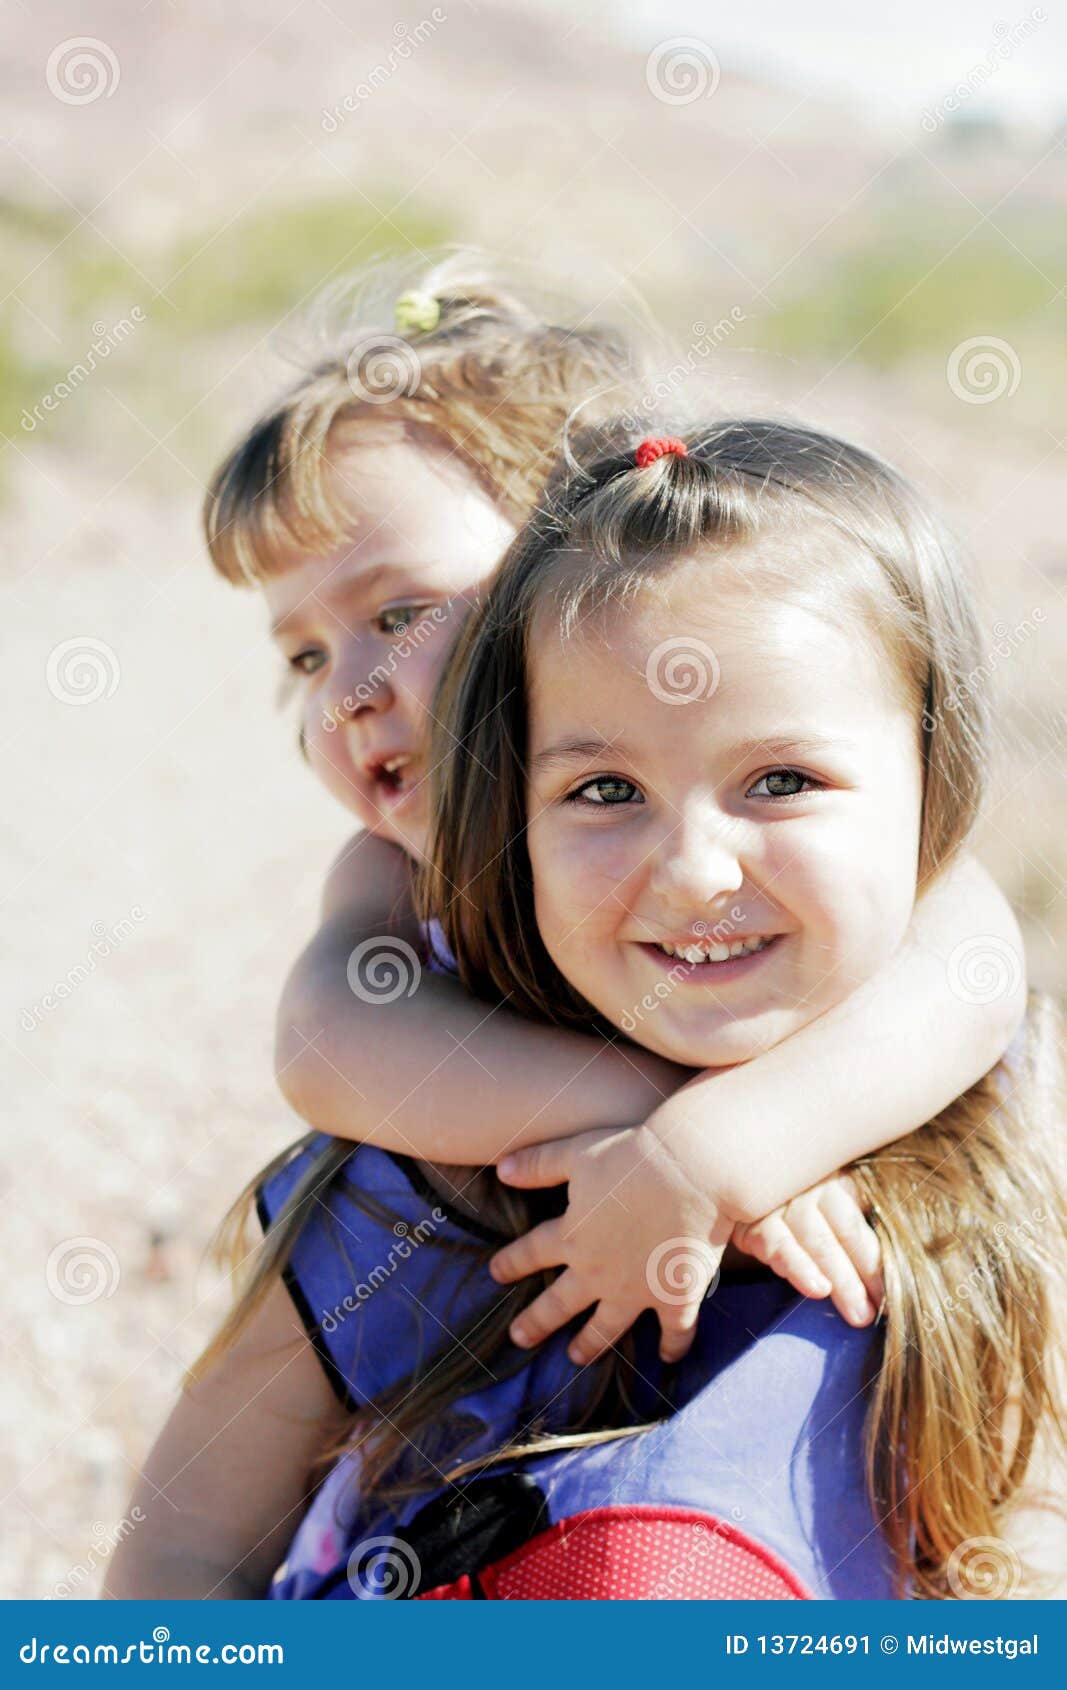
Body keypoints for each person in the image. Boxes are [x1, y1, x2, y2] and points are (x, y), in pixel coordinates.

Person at [105, 267, 1027, 1598]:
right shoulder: (393, 887)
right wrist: (643, 1129)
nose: (346, 694)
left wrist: (721, 1151)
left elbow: (977, 960)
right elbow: (326, 1035)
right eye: (303, 655)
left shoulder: (822, 865)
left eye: (398, 613)